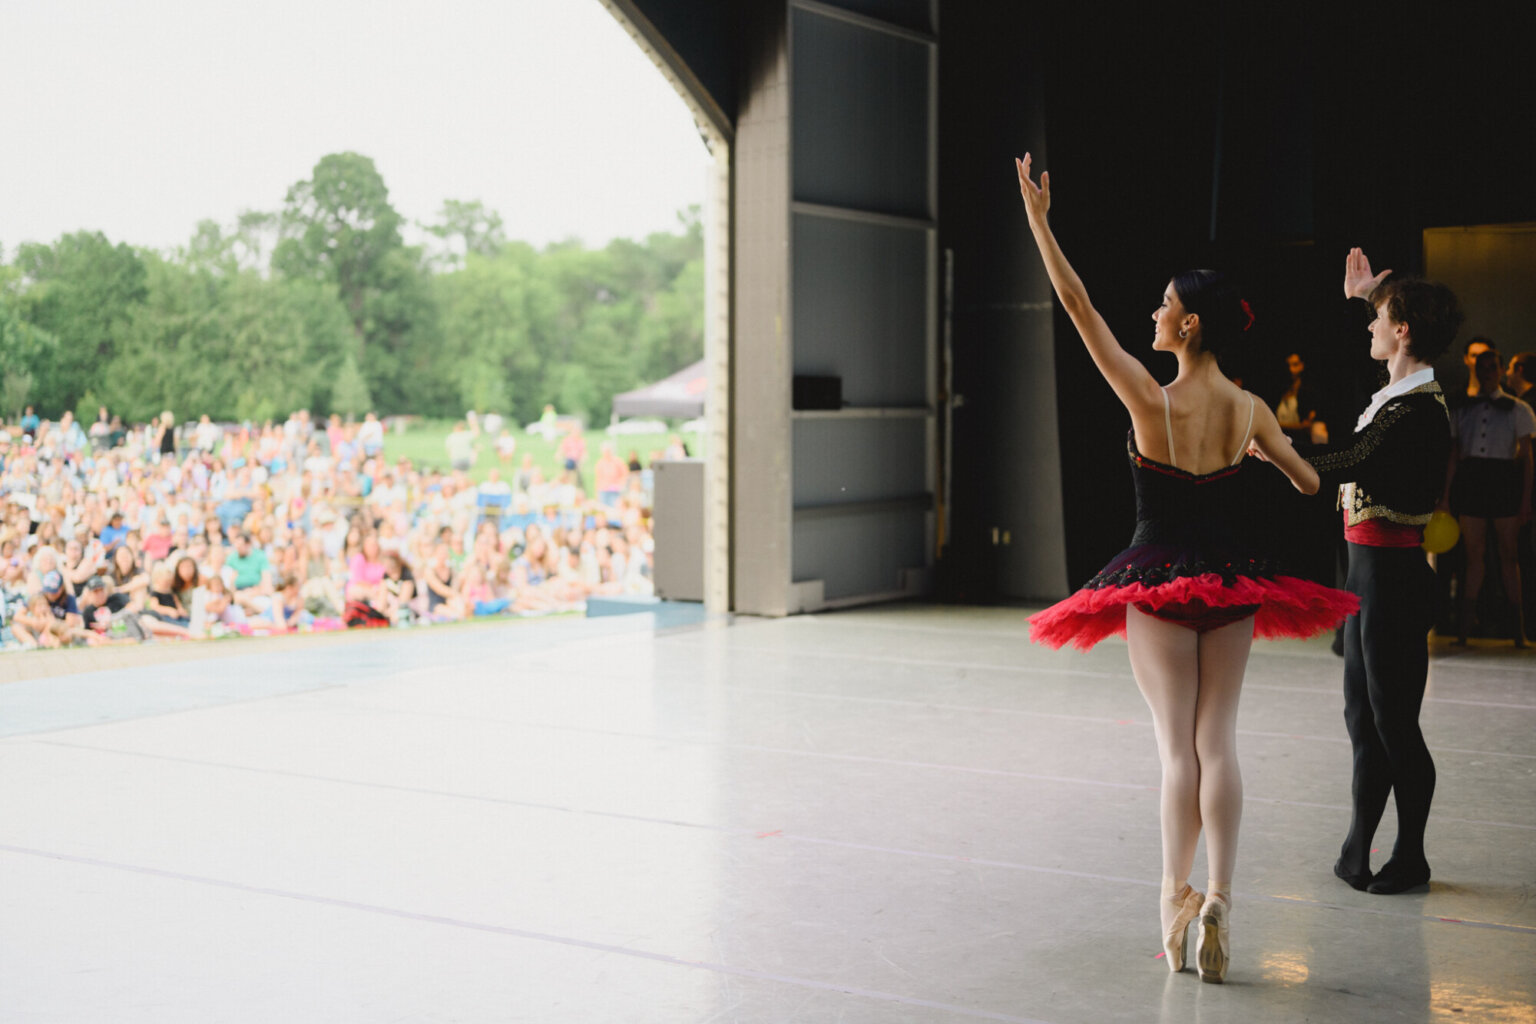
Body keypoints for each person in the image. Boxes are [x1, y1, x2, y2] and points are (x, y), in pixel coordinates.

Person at [1014, 154, 1356, 983]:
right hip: (1233, 583)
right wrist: (1268, 454)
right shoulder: (1248, 407)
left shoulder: (1149, 397)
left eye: (1165, 307)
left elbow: (1076, 304)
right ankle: (1225, 900)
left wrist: (1039, 218)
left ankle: (1175, 902)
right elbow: (1312, 481)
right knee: (1220, 741)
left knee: (1177, 752)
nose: (1153, 315)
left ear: (1191, 325)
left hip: (1158, 583)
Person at [1304, 249, 1460, 897]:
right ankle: (1356, 846)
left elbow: (1353, 456)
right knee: (1363, 720)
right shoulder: (1395, 397)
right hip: (1365, 579)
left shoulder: (1418, 410)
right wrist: (1369, 295)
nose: (1368, 326)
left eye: (1379, 318)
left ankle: (1412, 855)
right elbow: (1366, 369)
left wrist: (1275, 449)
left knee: (1394, 722)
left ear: (1404, 331)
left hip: (1393, 582)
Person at [1442, 348, 1534, 645]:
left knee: (1509, 556)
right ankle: (1464, 630)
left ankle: (1518, 631)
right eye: (1482, 367)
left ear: (1501, 368)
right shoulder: (1463, 409)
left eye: (1493, 367)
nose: (1488, 373)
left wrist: (1525, 501)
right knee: (1473, 558)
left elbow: (1528, 459)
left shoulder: (1518, 409)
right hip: (1472, 483)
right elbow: (1454, 456)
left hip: (1503, 482)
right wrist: (1445, 497)